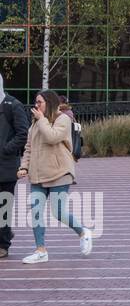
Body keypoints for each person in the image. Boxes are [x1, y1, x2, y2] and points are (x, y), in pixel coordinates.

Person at [15, 91, 92, 264]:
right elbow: (28, 147)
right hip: (37, 175)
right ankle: (40, 251)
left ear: (48, 103)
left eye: (39, 102)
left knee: (58, 213)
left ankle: (83, 232)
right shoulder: (35, 124)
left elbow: (52, 137)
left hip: (59, 173)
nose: (36, 106)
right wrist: (24, 166)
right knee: (35, 213)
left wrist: (41, 119)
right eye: (36, 102)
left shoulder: (63, 119)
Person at [0, 74, 30, 260]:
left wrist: (5, 149)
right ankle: (5, 233)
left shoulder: (13, 105)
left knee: (3, 207)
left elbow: (22, 133)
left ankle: (3, 245)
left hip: (5, 168)